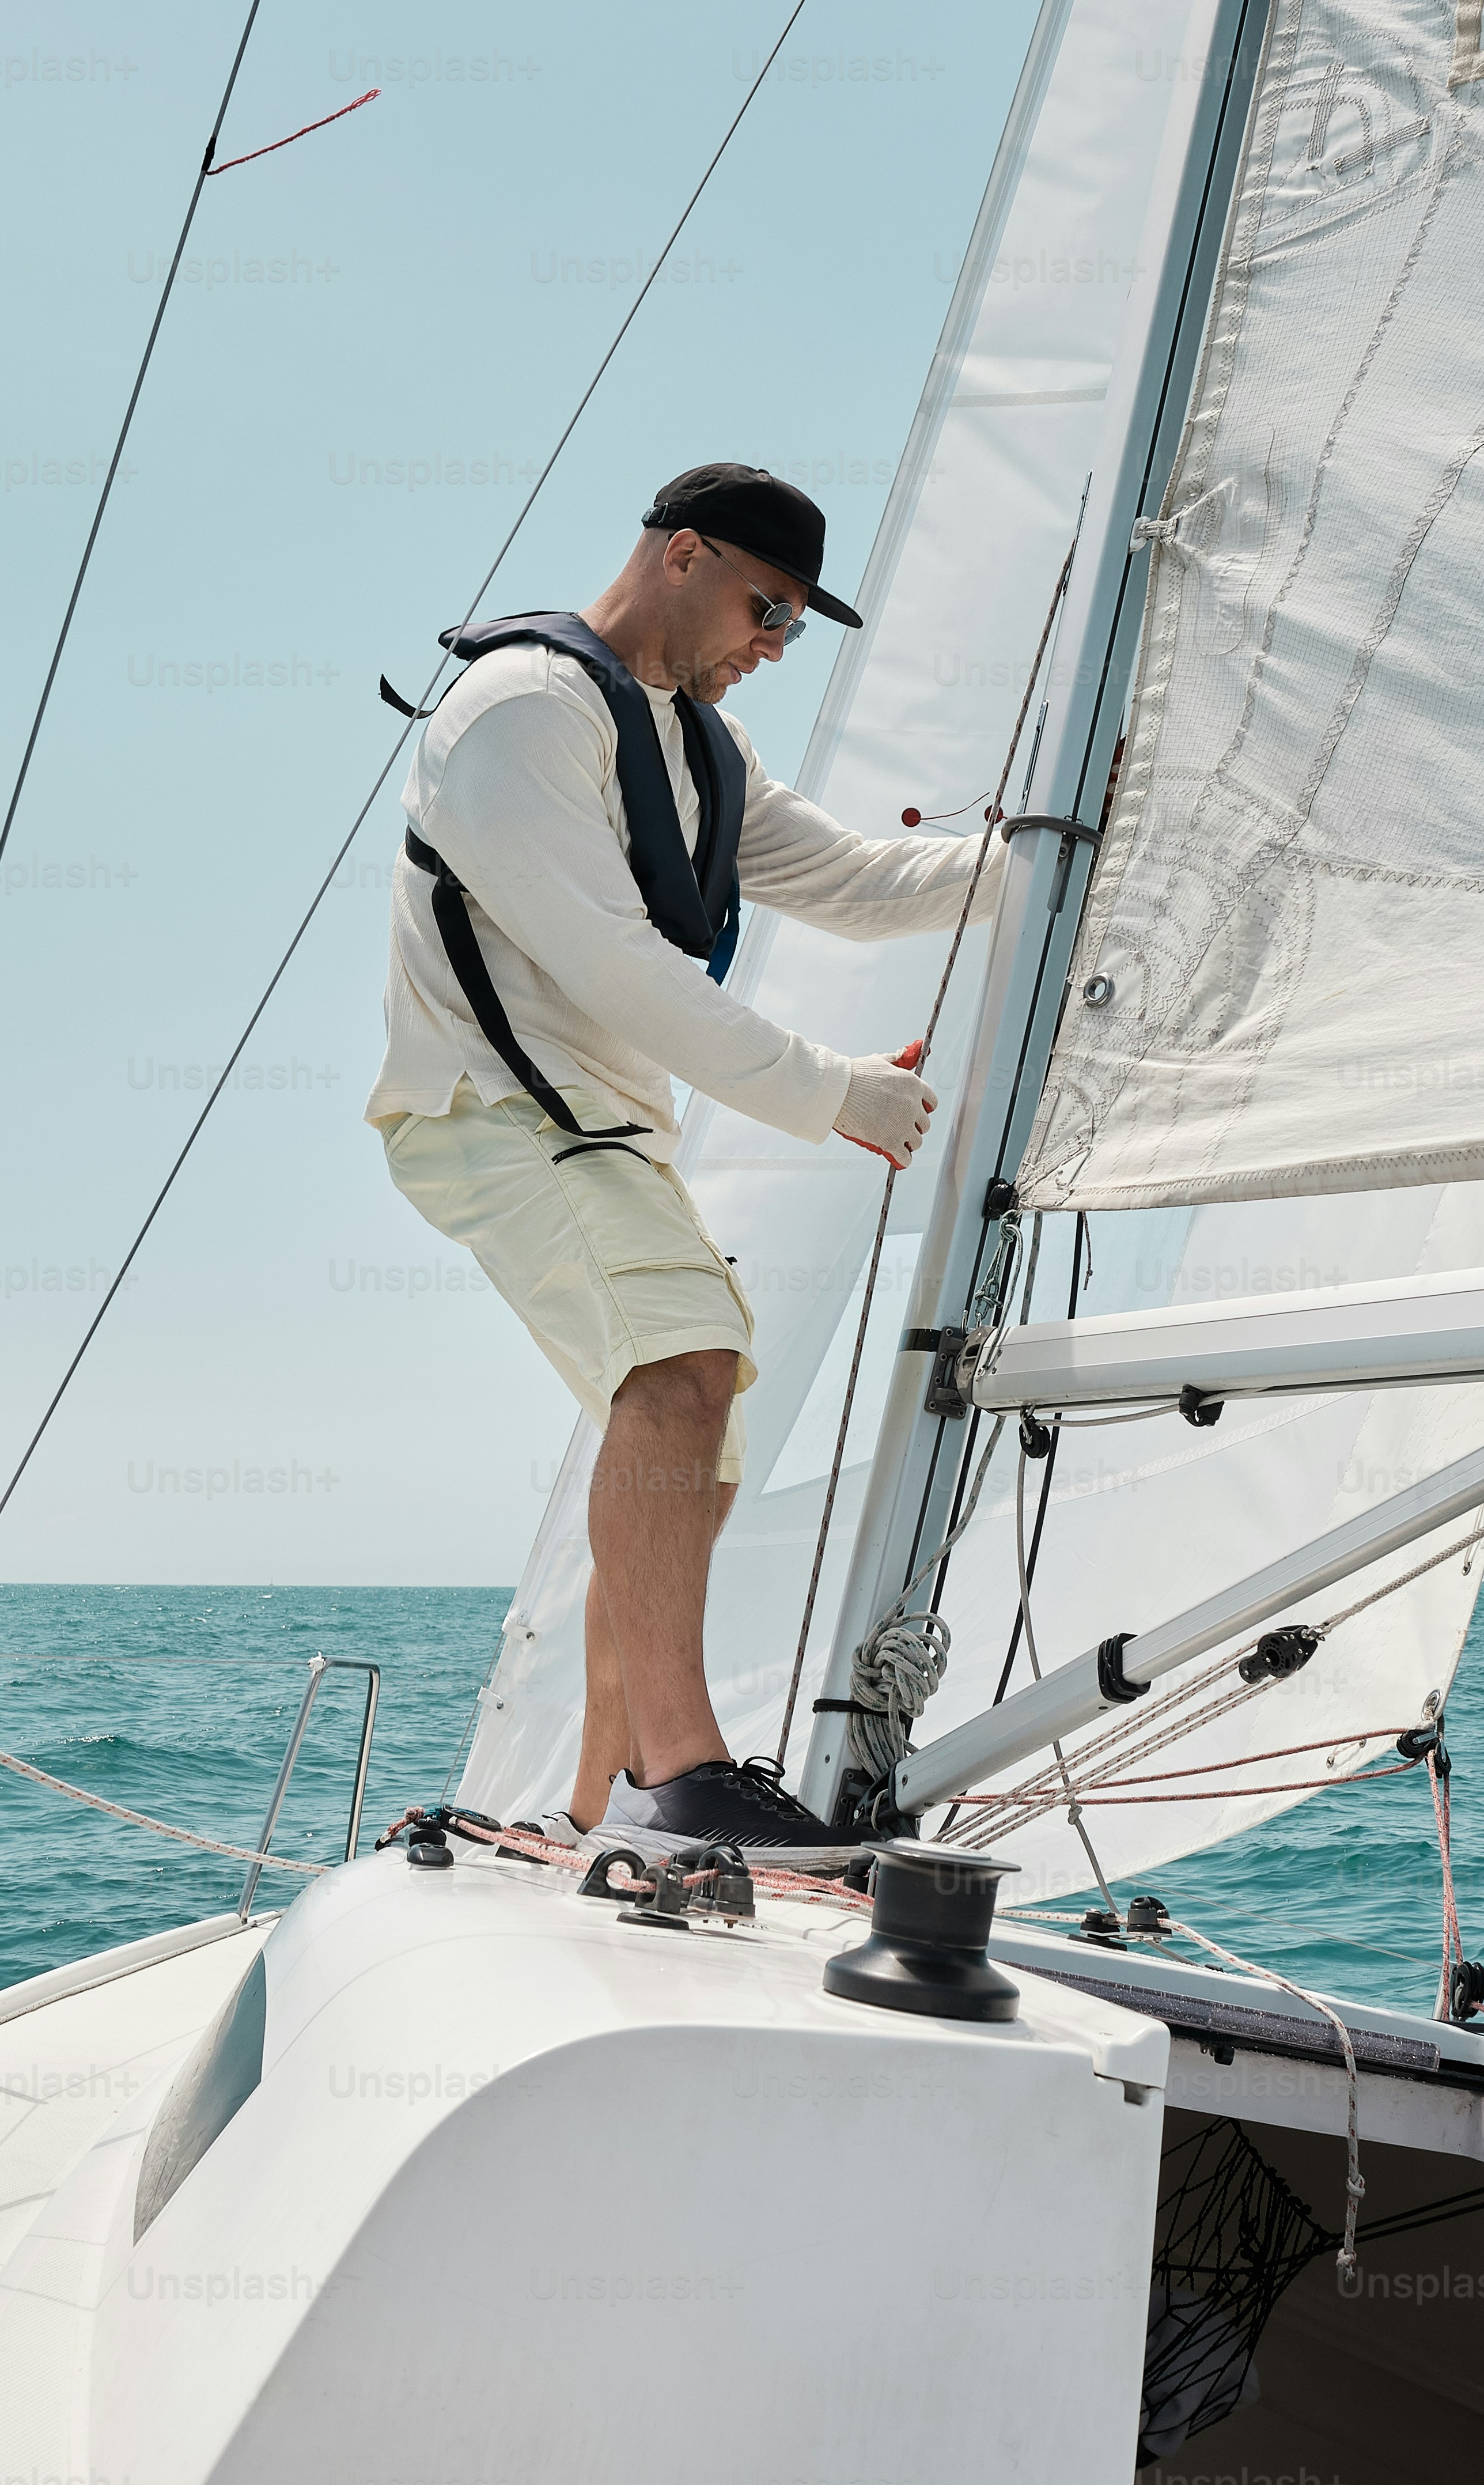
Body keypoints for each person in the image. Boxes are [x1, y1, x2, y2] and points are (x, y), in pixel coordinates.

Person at [370, 462, 986, 1848]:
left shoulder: (700, 747)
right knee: (682, 1367)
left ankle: (587, 1812)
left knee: (694, 1446)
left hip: (599, 1133)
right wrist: (831, 1093)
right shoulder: (518, 715)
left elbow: (858, 883)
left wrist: (1050, 851)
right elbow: (616, 965)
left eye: (795, 629)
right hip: (496, 1112)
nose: (774, 646)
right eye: (767, 611)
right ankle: (683, 1781)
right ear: (683, 556)